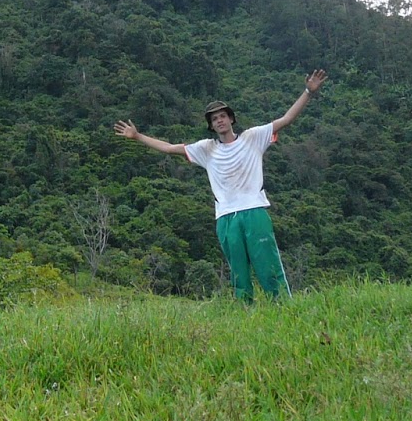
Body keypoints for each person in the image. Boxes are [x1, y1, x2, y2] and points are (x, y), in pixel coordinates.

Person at [113, 70, 327, 302]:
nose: (220, 121)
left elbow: (286, 120)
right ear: (211, 126)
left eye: (223, 116)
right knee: (238, 272)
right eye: (215, 119)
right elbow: (169, 148)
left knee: (268, 265)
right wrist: (137, 136)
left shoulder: (253, 137)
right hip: (226, 217)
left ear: (231, 118)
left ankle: (284, 307)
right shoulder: (206, 149)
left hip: (255, 211)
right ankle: (245, 311)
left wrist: (308, 92)